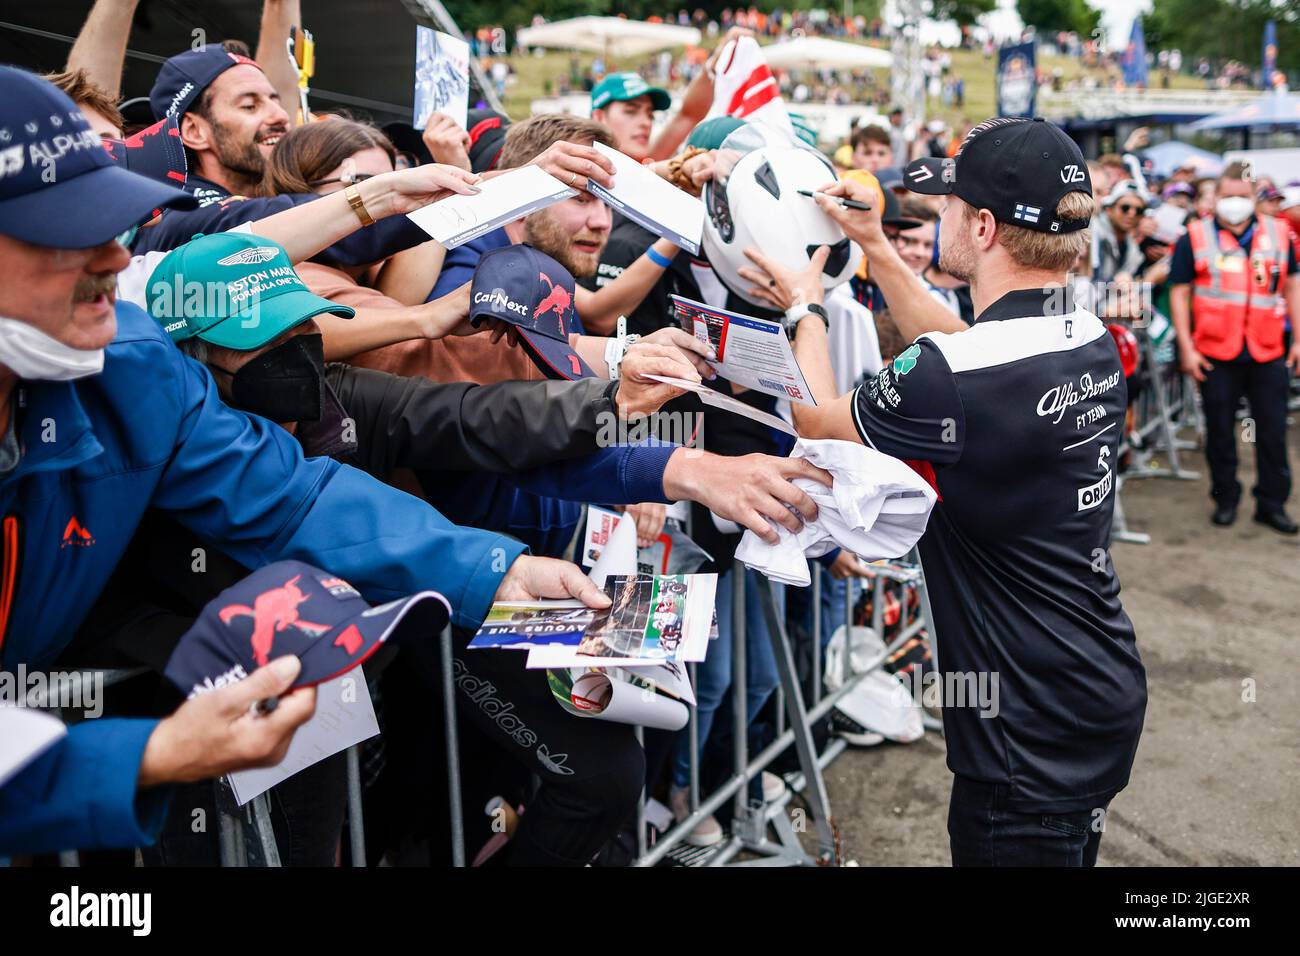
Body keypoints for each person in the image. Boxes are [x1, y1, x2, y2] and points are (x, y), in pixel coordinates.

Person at [0, 66, 612, 855]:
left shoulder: (134, 364)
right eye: (66, 232)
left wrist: (492, 572)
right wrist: (146, 759)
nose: (114, 262)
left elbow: (288, 496)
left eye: (109, 228)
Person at [743, 117, 1148, 867]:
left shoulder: (953, 375)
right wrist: (874, 246)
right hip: (1093, 687)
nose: (940, 217)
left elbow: (816, 423)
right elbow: (965, 341)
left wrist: (803, 308)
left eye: (951, 206)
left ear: (984, 226)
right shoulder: (1083, 329)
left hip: (1024, 728)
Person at [1168, 162, 1300, 533]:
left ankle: (1271, 503)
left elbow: (1292, 285)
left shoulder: (1278, 232)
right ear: (1215, 197)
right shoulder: (1193, 236)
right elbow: (1180, 293)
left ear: (1255, 196)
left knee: (1270, 431)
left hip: (1267, 350)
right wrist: (1187, 349)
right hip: (1214, 353)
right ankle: (1226, 497)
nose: (1234, 204)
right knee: (1221, 432)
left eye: (1242, 197)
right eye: (1227, 197)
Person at [1092, 180, 1148, 284]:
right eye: (1125, 208)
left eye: (1139, 211)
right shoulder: (1092, 233)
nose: (1132, 214)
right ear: (1109, 209)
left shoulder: (1133, 249)